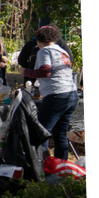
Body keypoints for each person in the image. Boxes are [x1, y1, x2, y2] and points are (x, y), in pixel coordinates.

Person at [22, 25, 78, 160]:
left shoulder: (44, 51)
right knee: (61, 134)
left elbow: (45, 71)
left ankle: (41, 168)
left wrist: (26, 72)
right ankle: (61, 168)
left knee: (41, 133)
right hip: (71, 94)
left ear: (38, 40)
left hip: (56, 95)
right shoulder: (62, 50)